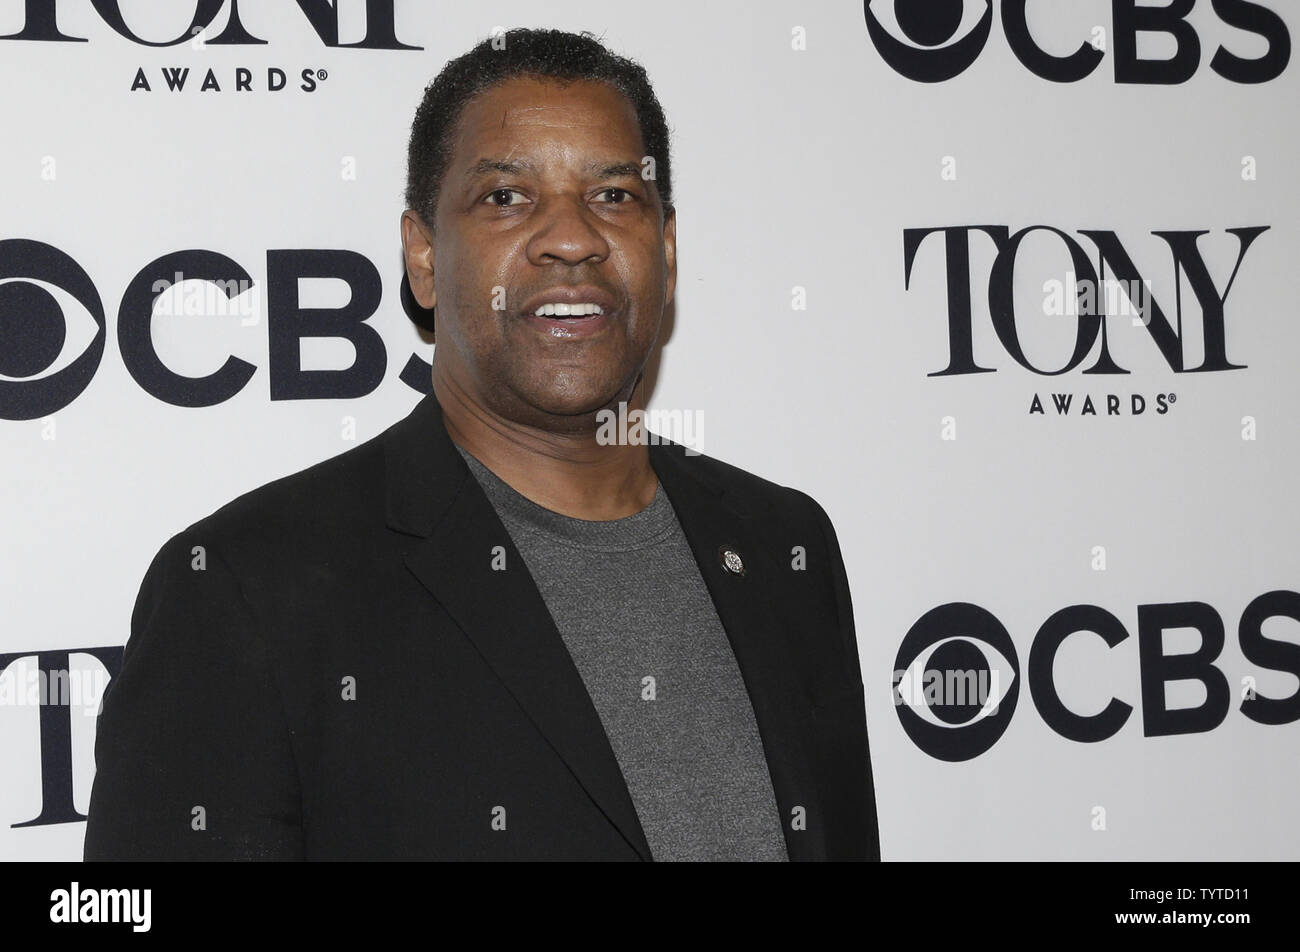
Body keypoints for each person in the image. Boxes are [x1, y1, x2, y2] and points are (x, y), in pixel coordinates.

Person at [84, 27, 879, 862]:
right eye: (506, 197)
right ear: (423, 258)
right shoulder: (246, 590)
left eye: (615, 196)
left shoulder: (786, 548)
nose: (571, 238)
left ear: (667, 251)